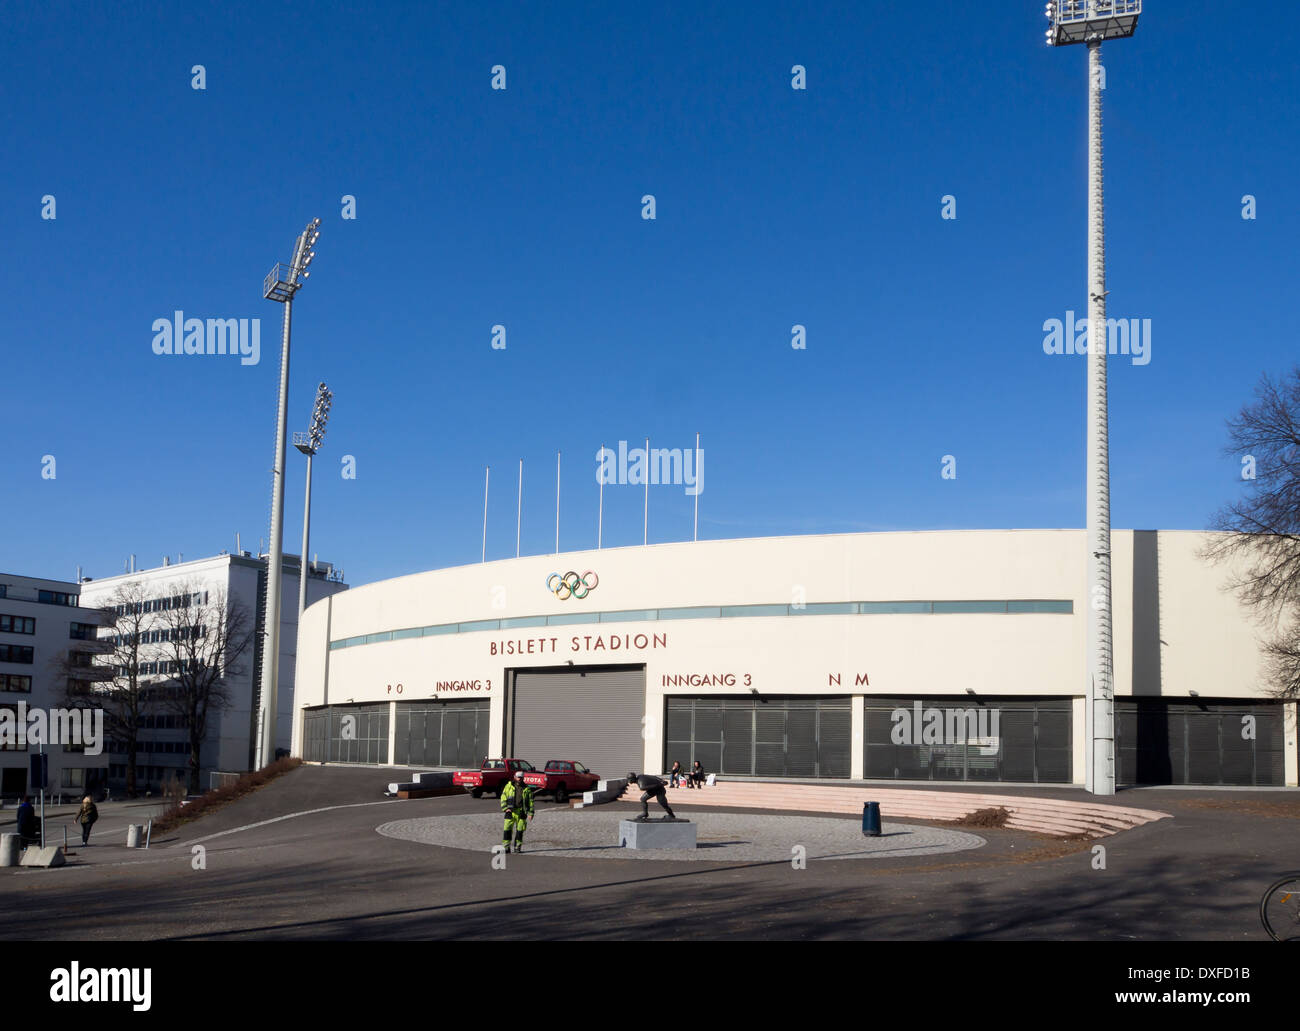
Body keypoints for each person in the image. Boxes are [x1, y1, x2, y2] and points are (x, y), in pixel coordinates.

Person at [498, 770, 534, 853]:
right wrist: (505, 808)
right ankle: (506, 848)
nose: (519, 779)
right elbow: (503, 797)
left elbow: (531, 802)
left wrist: (531, 813)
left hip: (521, 812)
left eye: (521, 777)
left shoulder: (527, 789)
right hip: (510, 811)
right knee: (507, 830)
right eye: (518, 777)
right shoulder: (508, 786)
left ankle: (517, 847)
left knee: (520, 831)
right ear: (514, 777)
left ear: (523, 778)